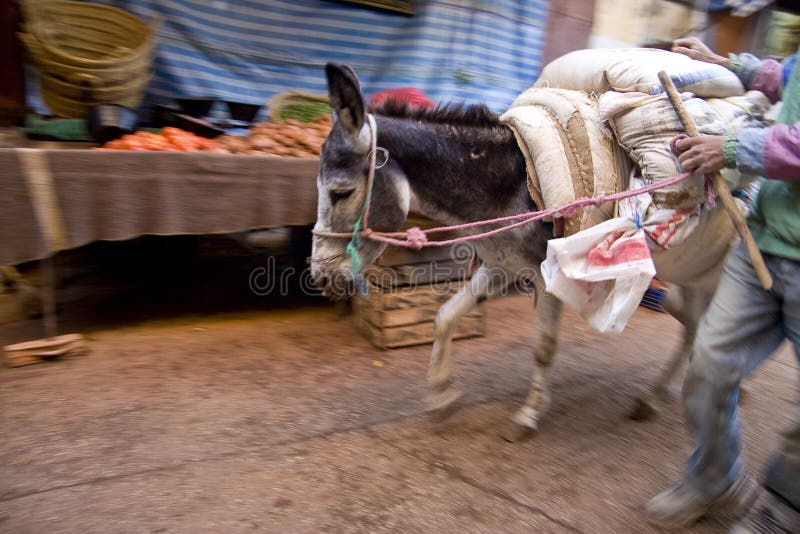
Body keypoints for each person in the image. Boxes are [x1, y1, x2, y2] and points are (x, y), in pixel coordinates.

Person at [644, 36, 800, 532]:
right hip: (766, 241)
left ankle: (785, 512)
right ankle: (716, 480)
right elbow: (784, 77)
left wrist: (730, 146)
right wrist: (725, 63)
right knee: (709, 363)